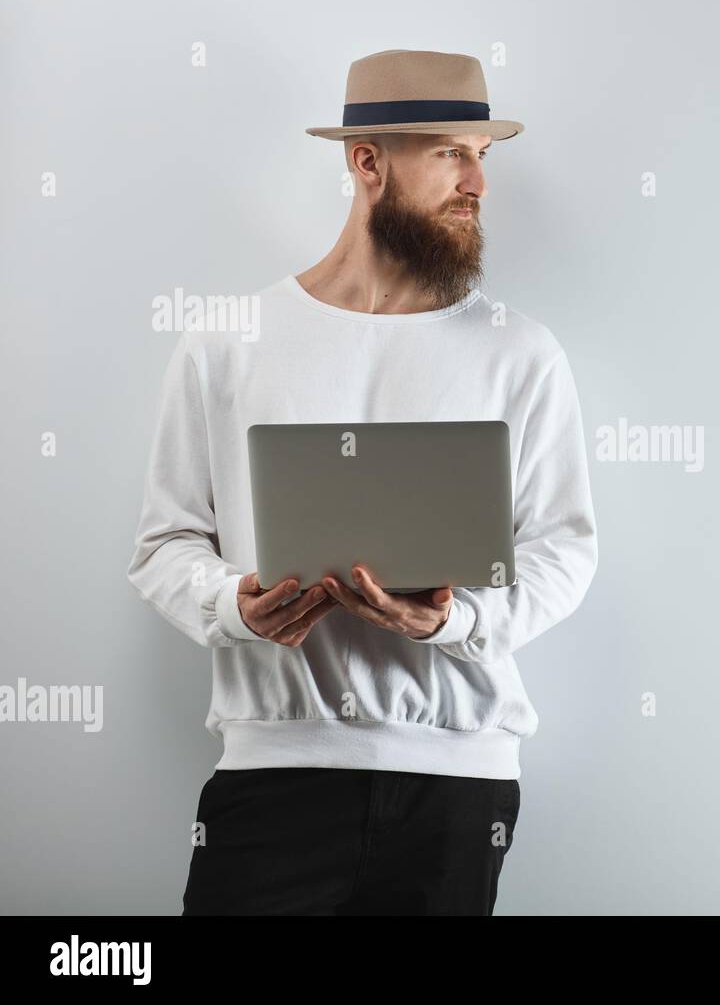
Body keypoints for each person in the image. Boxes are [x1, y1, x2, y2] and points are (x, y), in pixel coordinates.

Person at [125, 50, 598, 915]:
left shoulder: (521, 352)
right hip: (274, 779)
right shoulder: (228, 342)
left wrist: (455, 618)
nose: (479, 185)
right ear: (367, 161)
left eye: (484, 156)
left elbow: (563, 553)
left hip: (456, 789)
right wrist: (237, 605)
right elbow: (165, 545)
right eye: (453, 154)